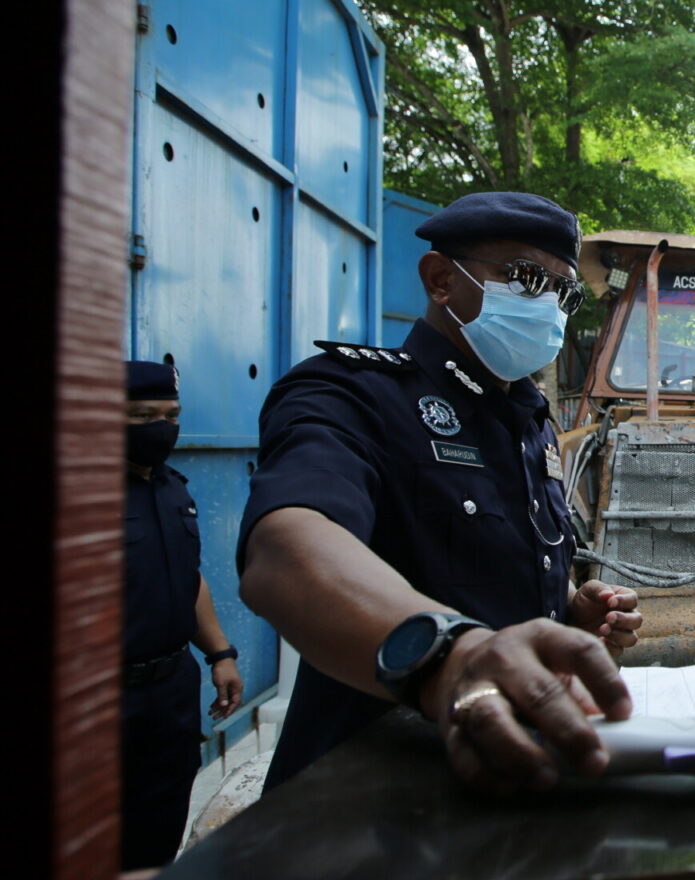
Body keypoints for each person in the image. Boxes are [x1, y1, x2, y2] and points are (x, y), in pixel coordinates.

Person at [237, 192, 642, 794]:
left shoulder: (533, 423)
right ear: (441, 281)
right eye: (527, 279)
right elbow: (284, 549)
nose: (550, 307)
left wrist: (570, 612)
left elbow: (493, 560)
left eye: (565, 293)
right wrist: (444, 656)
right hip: (369, 793)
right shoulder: (352, 395)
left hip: (518, 771)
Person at [122, 361, 243, 869]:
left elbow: (188, 577)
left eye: (171, 414)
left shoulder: (174, 488)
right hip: (103, 696)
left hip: (171, 689)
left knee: (161, 823)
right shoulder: (79, 493)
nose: (162, 426)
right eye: (143, 414)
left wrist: (220, 652)